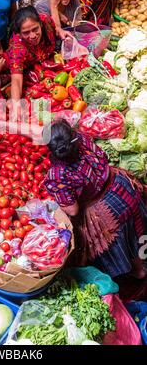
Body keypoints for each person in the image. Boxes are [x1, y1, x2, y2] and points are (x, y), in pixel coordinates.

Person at [44, 120, 147, 279]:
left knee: (118, 238)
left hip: (107, 210)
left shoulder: (57, 174)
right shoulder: (81, 139)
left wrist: (53, 205)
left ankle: (137, 272)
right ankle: (141, 264)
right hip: (121, 187)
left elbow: (73, 209)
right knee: (133, 228)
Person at [5, 6, 57, 106]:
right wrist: (16, 105)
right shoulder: (17, 48)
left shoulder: (46, 20)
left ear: (40, 24)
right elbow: (16, 79)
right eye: (26, 33)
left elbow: (56, 29)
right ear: (19, 34)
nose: (32, 36)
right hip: (26, 72)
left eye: (35, 29)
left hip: (46, 65)